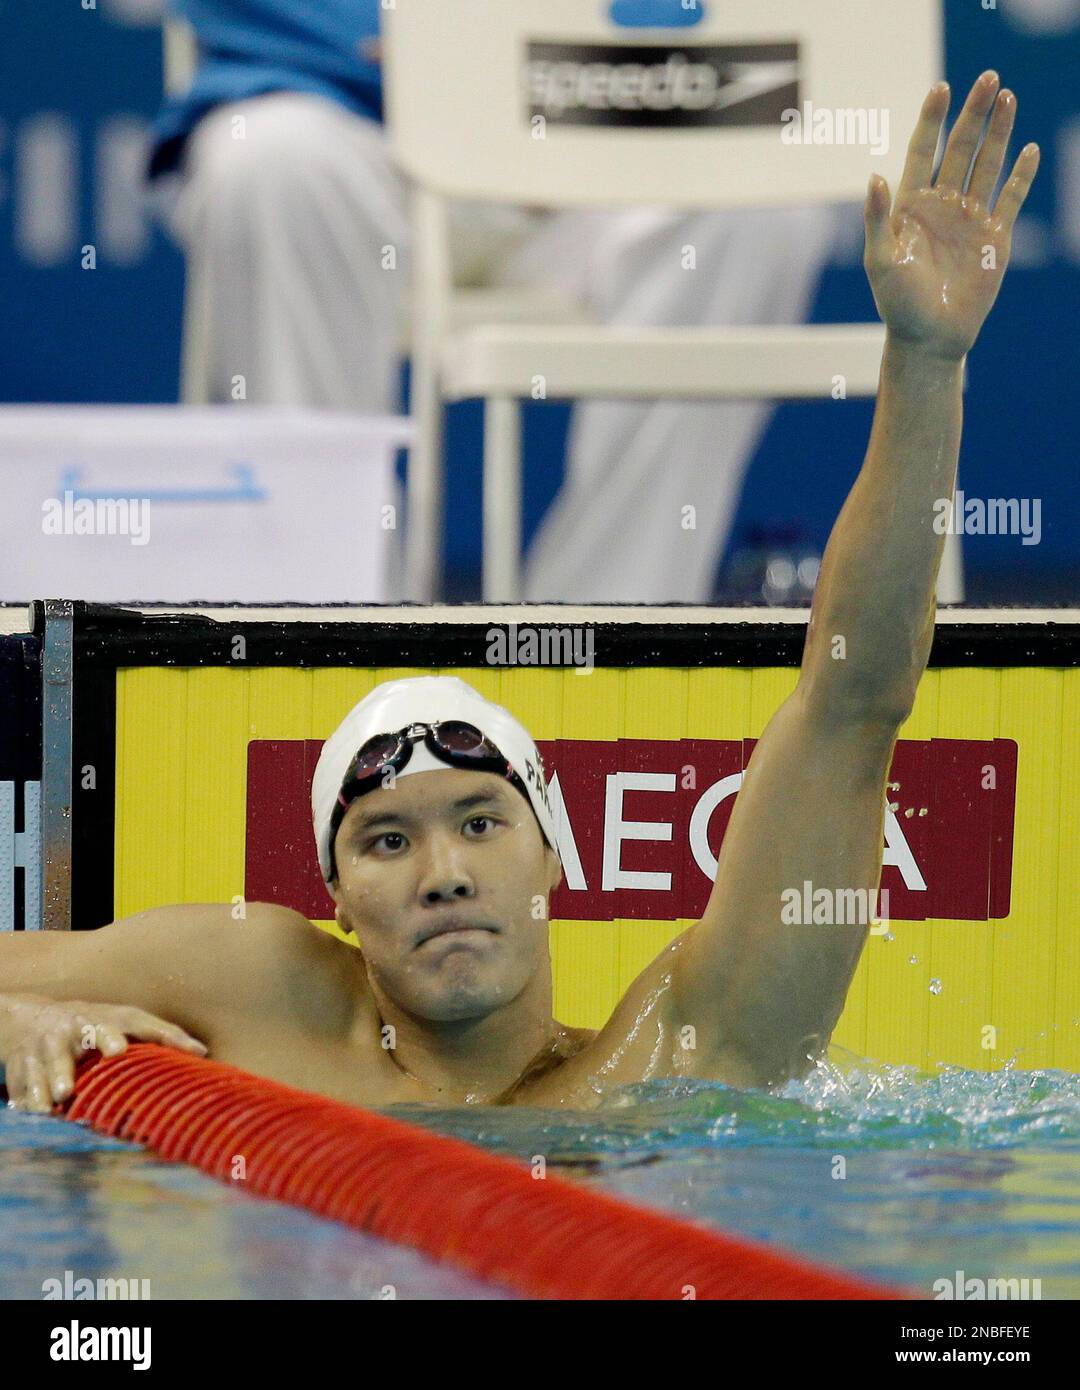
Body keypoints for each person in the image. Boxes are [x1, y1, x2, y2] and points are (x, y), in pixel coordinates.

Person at [3, 75, 1037, 1111]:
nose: (443, 874)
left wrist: (925, 359)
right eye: (387, 841)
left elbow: (855, 704)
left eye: (482, 823)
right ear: (337, 905)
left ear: (558, 858)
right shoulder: (265, 991)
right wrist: (15, 1015)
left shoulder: (678, 1054)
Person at [146, 0, 836, 601]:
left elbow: (709, 17)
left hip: (592, 144)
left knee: (759, 208)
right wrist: (441, 50)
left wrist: (539, 61)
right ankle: (336, 645)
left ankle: (598, 650)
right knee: (273, 165)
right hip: (347, 125)